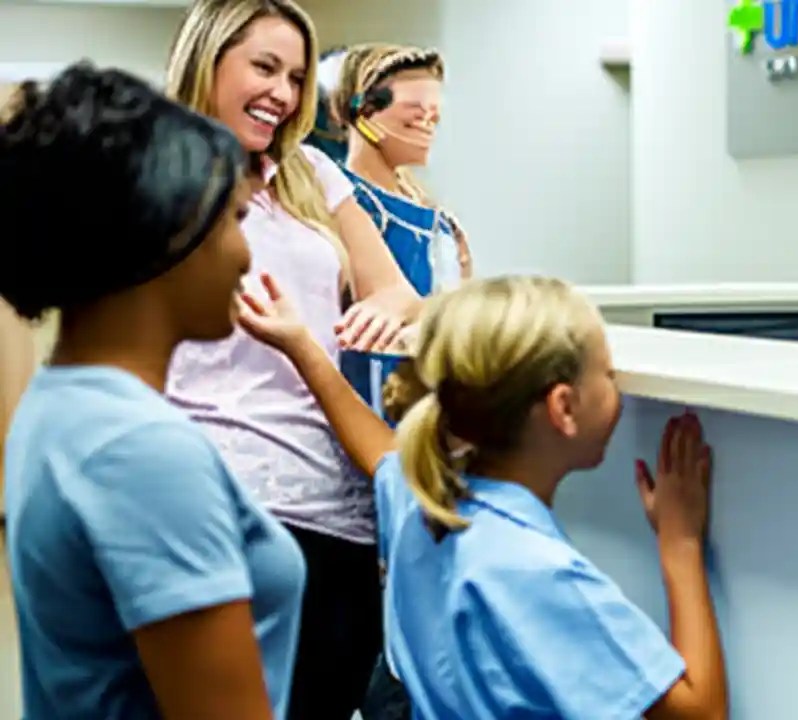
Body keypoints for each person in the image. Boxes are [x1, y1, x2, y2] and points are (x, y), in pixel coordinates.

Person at [237, 273, 730, 719]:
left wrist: (300, 344)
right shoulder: (538, 572)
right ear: (564, 407)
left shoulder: (424, 497)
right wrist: (680, 544)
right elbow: (700, 714)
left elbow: (379, 453)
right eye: (607, 374)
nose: (616, 386)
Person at [0, 62, 305, 719]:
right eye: (232, 221)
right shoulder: (137, 449)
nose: (245, 256)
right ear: (170, 226)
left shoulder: (63, 403)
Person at [162, 1, 426, 717]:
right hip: (220, 501)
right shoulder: (153, 174)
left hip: (336, 509)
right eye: (264, 68)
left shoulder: (310, 169)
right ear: (209, 59)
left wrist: (382, 309)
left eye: (296, 76)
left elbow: (398, 292)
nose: (282, 93)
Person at [326, 43, 473, 415]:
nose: (427, 126)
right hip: (377, 391)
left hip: (438, 384)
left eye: (434, 118)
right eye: (414, 115)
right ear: (363, 110)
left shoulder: (433, 212)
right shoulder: (345, 201)